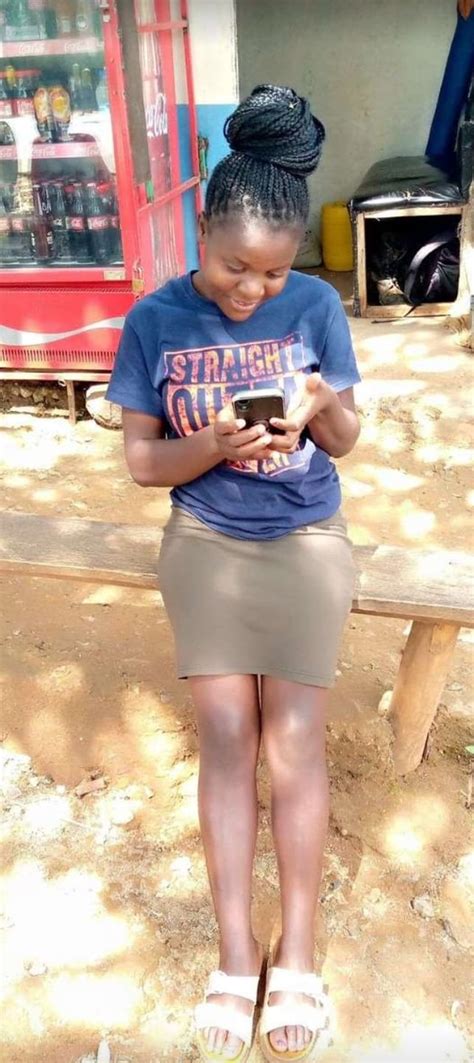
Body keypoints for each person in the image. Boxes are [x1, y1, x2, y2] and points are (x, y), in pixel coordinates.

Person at [107, 84, 361, 1063]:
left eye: (274, 271)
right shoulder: (155, 320)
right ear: (201, 230)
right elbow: (142, 463)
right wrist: (212, 444)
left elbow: (348, 439)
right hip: (207, 538)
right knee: (225, 735)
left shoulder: (317, 305)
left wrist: (316, 406)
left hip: (305, 536)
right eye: (233, 266)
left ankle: (297, 953)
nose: (253, 289)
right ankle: (235, 951)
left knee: (293, 739)